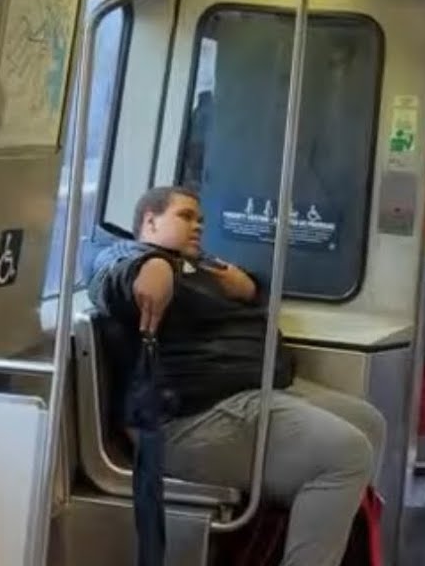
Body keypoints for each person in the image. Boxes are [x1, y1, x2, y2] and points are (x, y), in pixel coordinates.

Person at [87, 185, 386, 566]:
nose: (198, 226)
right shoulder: (132, 258)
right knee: (346, 453)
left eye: (201, 219)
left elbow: (243, 295)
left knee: (369, 423)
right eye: (185, 216)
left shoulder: (202, 269)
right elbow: (106, 272)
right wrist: (148, 268)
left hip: (247, 390)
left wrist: (249, 289)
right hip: (191, 417)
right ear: (150, 221)